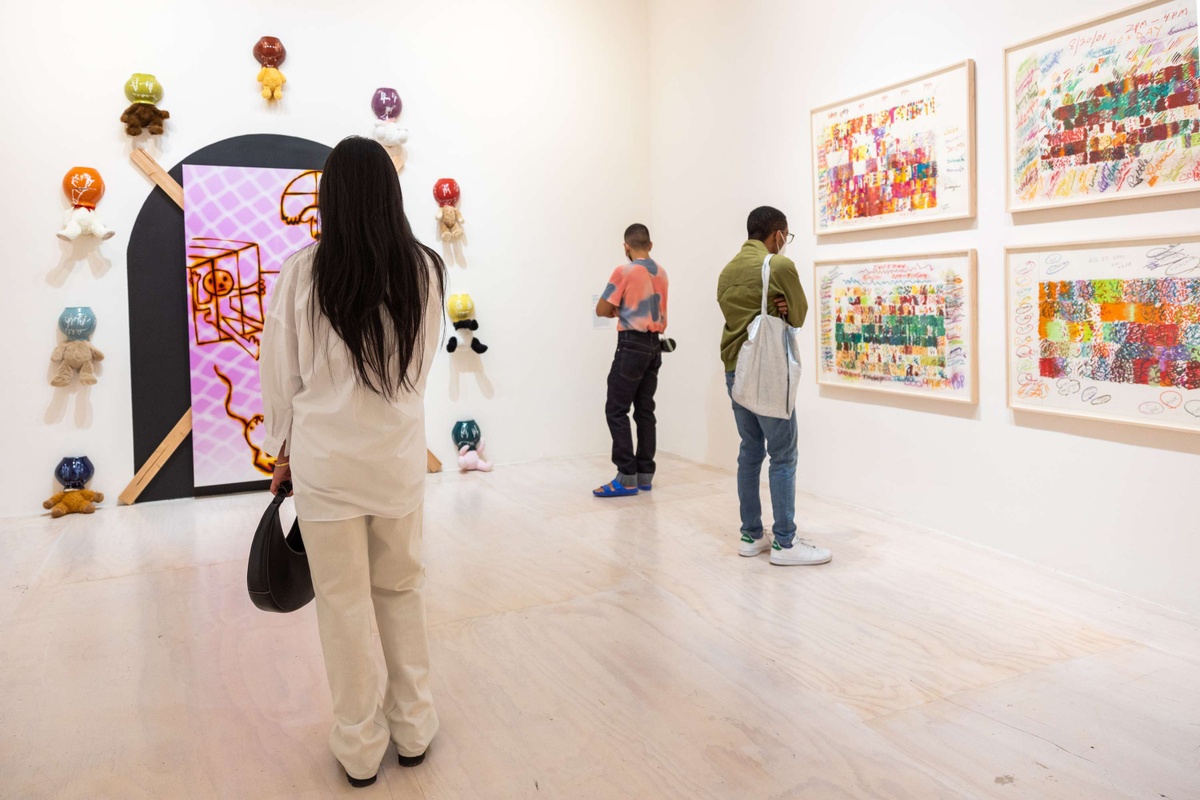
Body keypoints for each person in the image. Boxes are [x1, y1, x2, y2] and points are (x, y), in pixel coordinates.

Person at [260, 136, 444, 788]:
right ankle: (415, 728)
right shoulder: (425, 270)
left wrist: (280, 446)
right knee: (402, 590)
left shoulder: (302, 272)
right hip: (394, 462)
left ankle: (359, 747)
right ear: (391, 196)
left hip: (327, 465)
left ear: (329, 197)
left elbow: (280, 375)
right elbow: (421, 368)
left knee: (342, 606)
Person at [716, 206, 832, 566]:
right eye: (786, 236)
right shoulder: (777, 266)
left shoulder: (727, 270)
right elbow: (798, 314)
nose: (785, 243)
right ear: (777, 234)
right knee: (783, 454)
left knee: (750, 451)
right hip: (766, 370)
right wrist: (782, 307)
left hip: (735, 368)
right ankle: (785, 541)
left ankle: (751, 535)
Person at [593, 223, 669, 497]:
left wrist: (617, 309)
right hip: (655, 345)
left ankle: (626, 476)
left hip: (631, 344)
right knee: (645, 410)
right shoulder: (661, 272)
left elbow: (601, 308)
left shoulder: (623, 271)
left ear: (626, 246)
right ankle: (645, 474)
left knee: (616, 409)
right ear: (650, 244)